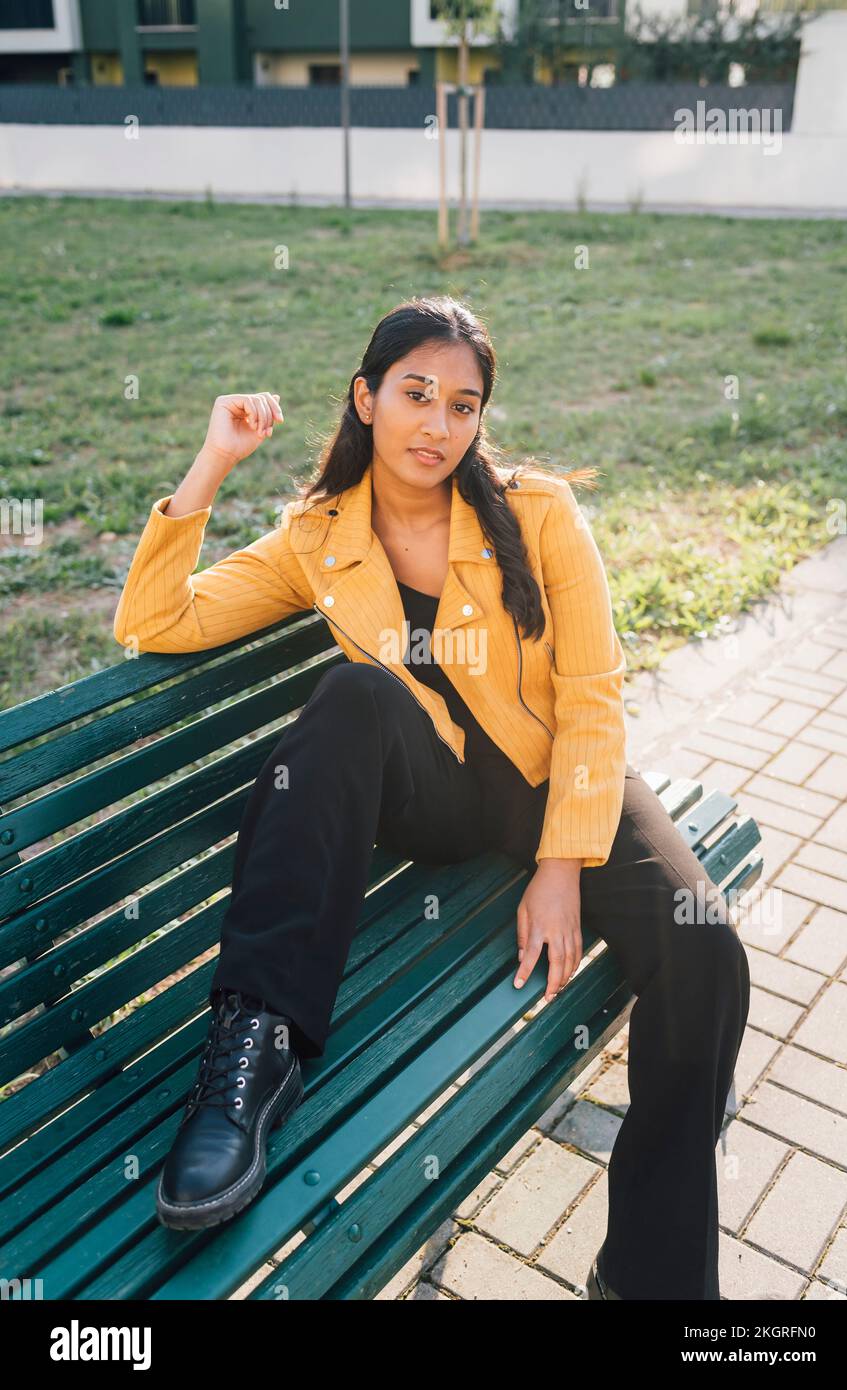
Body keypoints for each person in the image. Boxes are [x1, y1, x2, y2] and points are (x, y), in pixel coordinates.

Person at [112, 294, 749, 1299]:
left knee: (704, 946)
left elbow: (590, 693)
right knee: (355, 694)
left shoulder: (536, 512)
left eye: (462, 405)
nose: (437, 425)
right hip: (441, 802)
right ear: (364, 398)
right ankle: (252, 1053)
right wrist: (213, 463)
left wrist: (557, 864)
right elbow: (154, 619)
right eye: (414, 394)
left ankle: (649, 1276)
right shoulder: (315, 538)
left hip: (560, 787)